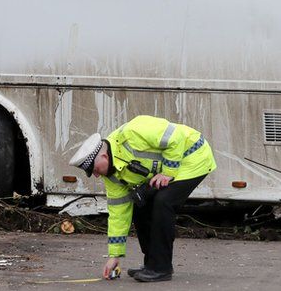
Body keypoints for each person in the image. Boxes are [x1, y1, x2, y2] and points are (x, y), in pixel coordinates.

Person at [69, 115, 216, 283]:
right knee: (140, 203)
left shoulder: (134, 131)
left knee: (163, 202)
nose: (95, 175)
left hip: (193, 156)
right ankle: (152, 263)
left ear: (104, 157)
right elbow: (118, 214)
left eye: (94, 169)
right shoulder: (111, 177)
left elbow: (175, 137)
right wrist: (114, 255)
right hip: (171, 168)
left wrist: (169, 172)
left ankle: (161, 268)